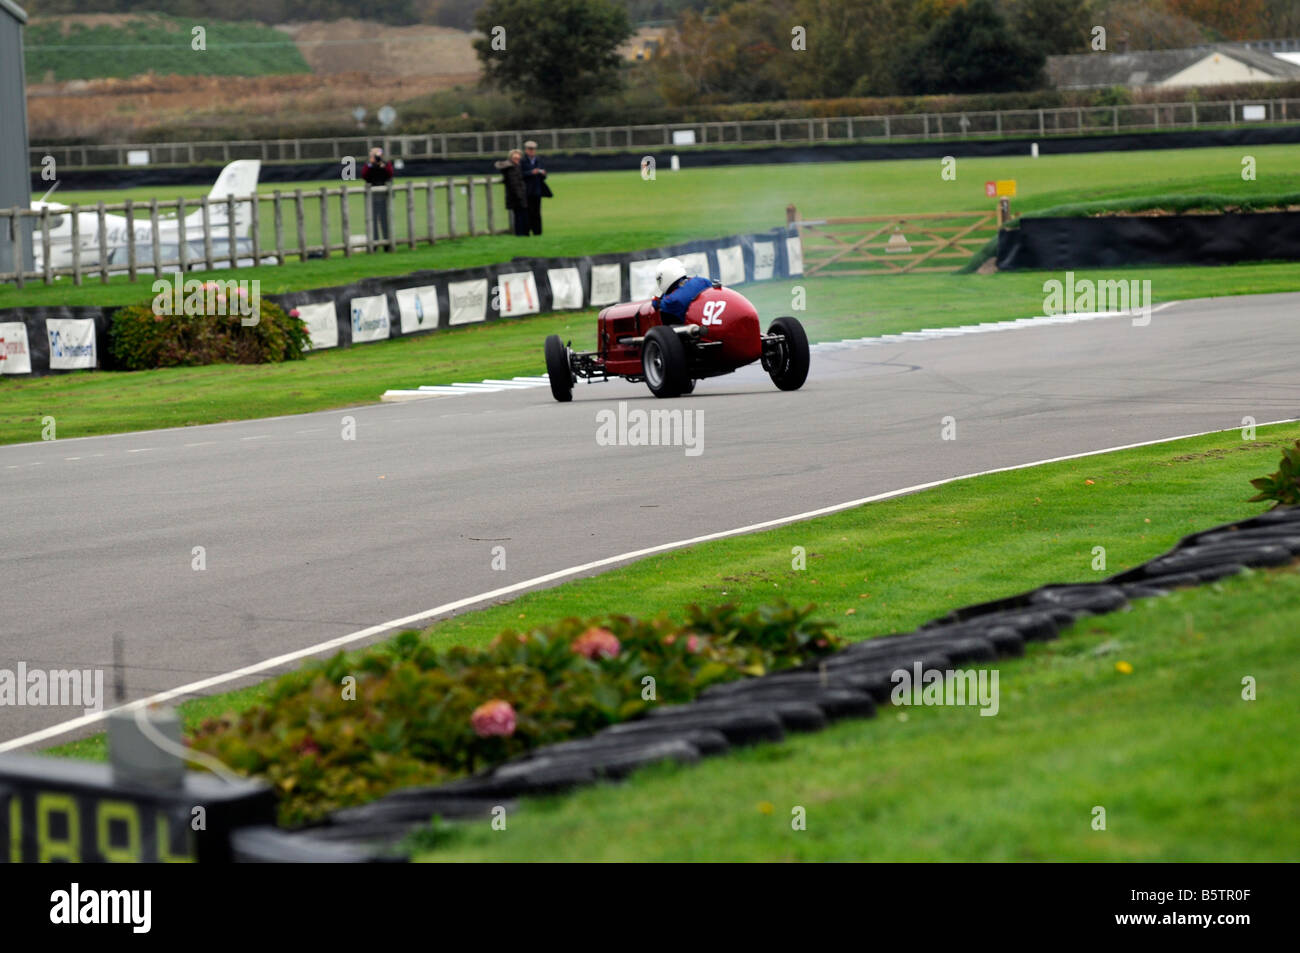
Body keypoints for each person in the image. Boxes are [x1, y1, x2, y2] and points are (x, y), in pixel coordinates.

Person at [652, 257, 713, 325]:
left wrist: (656, 301)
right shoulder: (702, 281)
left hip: (697, 329)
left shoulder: (671, 300)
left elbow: (660, 305)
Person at [361, 147, 395, 248]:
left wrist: (381, 165)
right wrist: (371, 165)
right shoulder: (368, 165)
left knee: (385, 220)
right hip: (372, 196)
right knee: (372, 220)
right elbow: (364, 175)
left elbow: (390, 174)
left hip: (384, 196)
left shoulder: (386, 164)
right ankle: (374, 243)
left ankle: (387, 242)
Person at [519, 140, 551, 236]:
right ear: (526, 150)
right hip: (526, 191)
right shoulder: (522, 161)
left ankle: (537, 232)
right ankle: (526, 231)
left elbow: (543, 177)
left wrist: (543, 174)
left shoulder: (538, 160)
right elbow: (520, 174)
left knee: (536, 213)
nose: (532, 151)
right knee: (527, 212)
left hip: (537, 191)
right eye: (530, 149)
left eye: (533, 149)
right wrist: (531, 173)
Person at [493, 149, 529, 236]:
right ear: (511, 158)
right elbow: (514, 183)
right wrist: (519, 195)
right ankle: (520, 233)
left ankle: (523, 233)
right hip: (515, 195)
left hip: (519, 194)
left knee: (522, 215)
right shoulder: (510, 168)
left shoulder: (517, 166)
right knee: (519, 215)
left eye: (518, 157)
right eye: (515, 157)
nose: (517, 159)